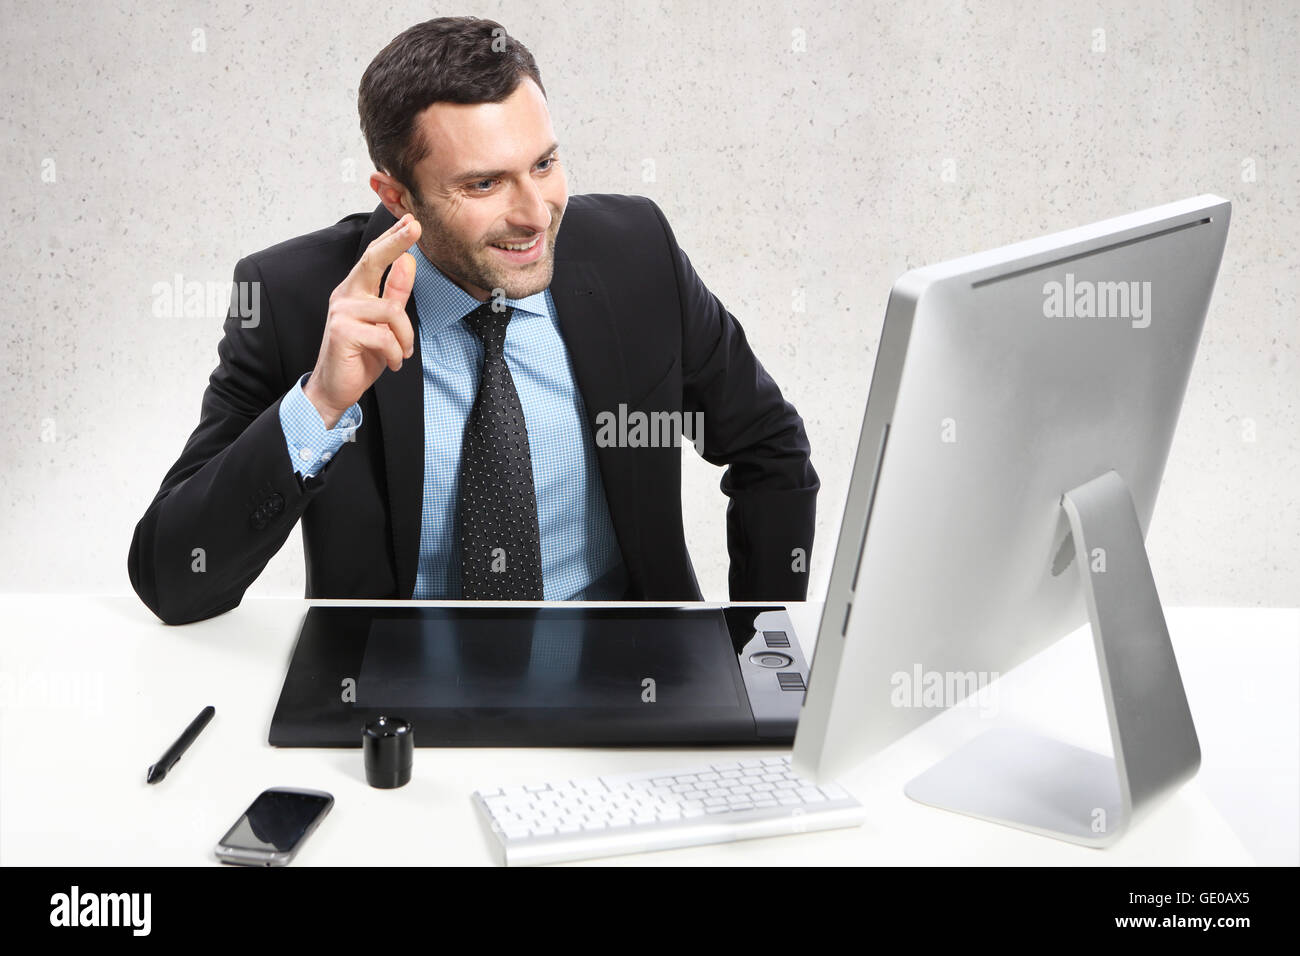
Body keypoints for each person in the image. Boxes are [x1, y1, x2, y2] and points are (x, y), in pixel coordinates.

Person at [128, 16, 818, 625]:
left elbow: (771, 450)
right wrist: (320, 405)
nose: (535, 214)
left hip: (627, 672)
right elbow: (173, 581)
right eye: (484, 184)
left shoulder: (637, 254)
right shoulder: (294, 299)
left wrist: (761, 649)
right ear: (397, 195)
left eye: (544, 164)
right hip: (396, 691)